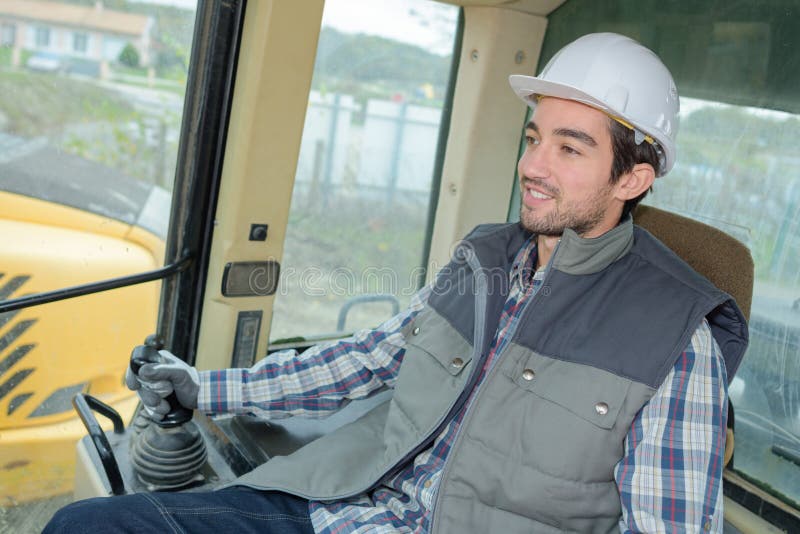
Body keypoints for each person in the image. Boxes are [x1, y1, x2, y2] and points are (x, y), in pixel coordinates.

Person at [46, 32, 747, 533]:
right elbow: (366, 359)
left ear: (633, 177)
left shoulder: (676, 340)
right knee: (82, 527)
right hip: (343, 507)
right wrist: (206, 386)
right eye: (535, 138)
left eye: (570, 147)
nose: (534, 166)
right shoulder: (484, 260)